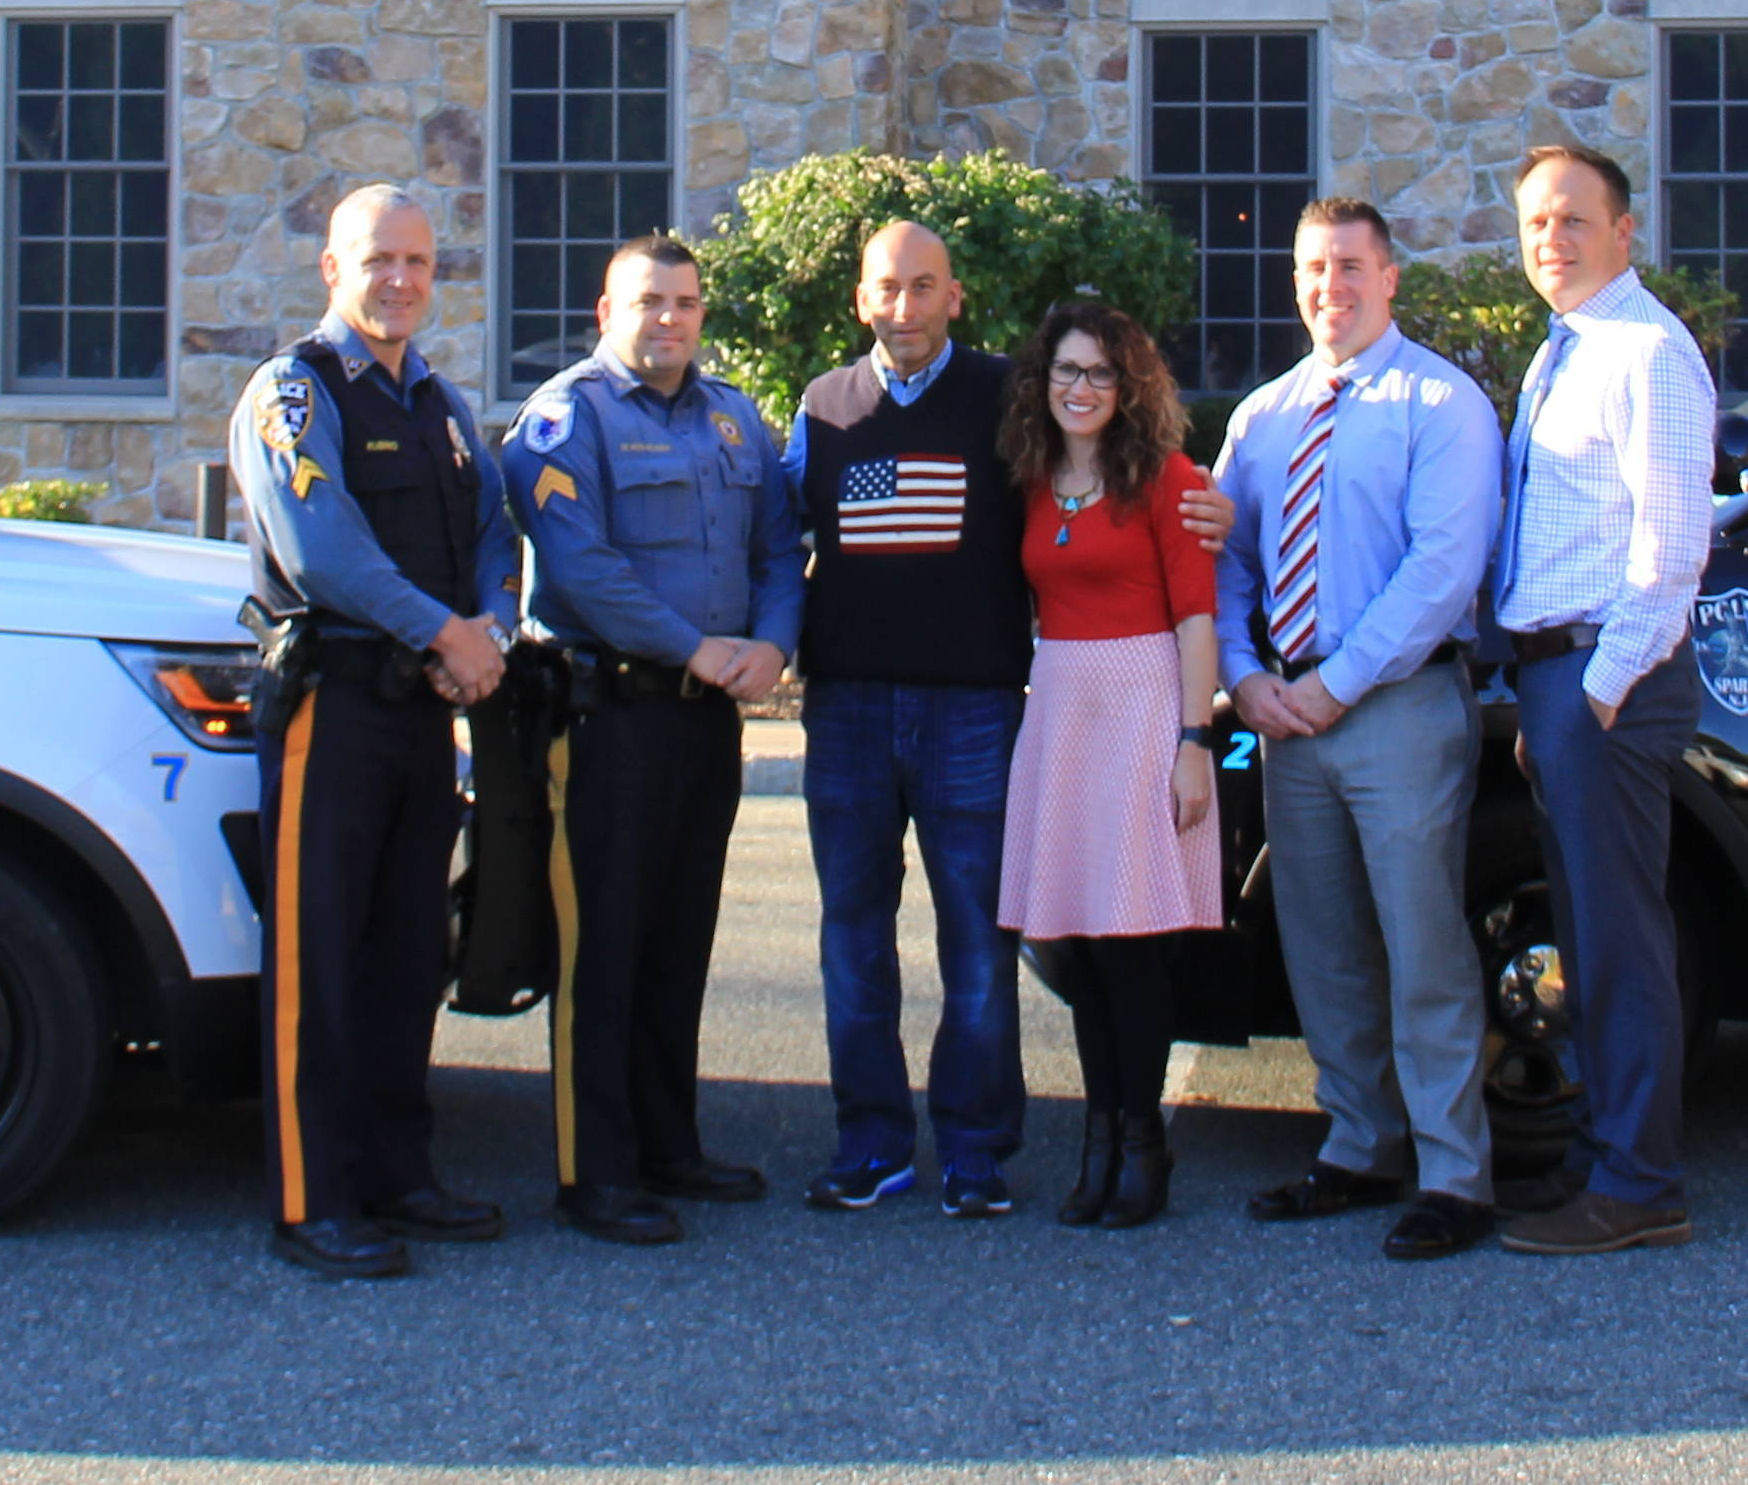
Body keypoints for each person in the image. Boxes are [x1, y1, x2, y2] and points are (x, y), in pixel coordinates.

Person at [229, 185, 518, 1282]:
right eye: (378, 260)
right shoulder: (294, 395)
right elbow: (322, 551)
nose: (400, 279)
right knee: (319, 963)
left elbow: (492, 525)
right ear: (331, 270)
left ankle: (402, 1174)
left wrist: (487, 621)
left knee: (407, 955)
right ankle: (314, 1200)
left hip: (420, 719)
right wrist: (451, 633)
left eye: (419, 262)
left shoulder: (440, 404)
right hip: (333, 712)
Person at [1213, 197, 1508, 1260]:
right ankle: (1357, 1145)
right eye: (1310, 268)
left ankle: (1455, 1174)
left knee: (1422, 940)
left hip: (1398, 708)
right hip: (1288, 718)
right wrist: (1247, 681)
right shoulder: (1264, 416)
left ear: (1389, 278)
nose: (1326, 285)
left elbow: (1443, 570)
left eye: (1347, 266)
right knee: (1325, 943)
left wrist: (1335, 684)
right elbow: (1230, 564)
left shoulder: (1442, 402)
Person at [504, 233, 798, 1244]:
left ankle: (672, 1144)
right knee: (607, 950)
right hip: (609, 717)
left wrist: (771, 644)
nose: (668, 319)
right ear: (605, 311)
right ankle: (599, 1172)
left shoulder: (733, 419)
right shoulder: (563, 421)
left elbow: (777, 547)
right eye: (647, 302)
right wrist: (695, 649)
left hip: (704, 721)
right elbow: (582, 571)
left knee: (681, 940)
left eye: (684, 302)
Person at [1487, 140, 1719, 1258]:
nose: (1552, 238)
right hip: (1559, 678)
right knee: (1586, 933)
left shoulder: (1644, 354)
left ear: (1626, 232)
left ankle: (1639, 1183)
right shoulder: (1561, 355)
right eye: (1536, 220)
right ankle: (1598, 1157)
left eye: (1575, 219)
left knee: (1620, 943)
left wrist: (1602, 693)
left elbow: (1672, 551)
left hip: (1603, 677)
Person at [779, 220, 1036, 1216]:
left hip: (973, 706)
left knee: (976, 935)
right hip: (846, 708)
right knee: (853, 935)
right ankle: (873, 1141)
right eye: (888, 288)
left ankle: (975, 1146)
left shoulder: (1008, 396)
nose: (905, 307)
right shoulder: (823, 409)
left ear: (955, 297)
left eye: (924, 287)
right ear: (860, 299)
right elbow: (779, 539)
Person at [997, 298, 1223, 1229]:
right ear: (1042, 384)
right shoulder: (1036, 480)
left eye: (1098, 373)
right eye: (1065, 372)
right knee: (1080, 947)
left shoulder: (1169, 481)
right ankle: (1096, 1142)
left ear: (1127, 387)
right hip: (1060, 710)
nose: (1080, 389)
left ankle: (1144, 1145)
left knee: (1131, 948)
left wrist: (1193, 742)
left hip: (1140, 706)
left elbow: (1196, 618)